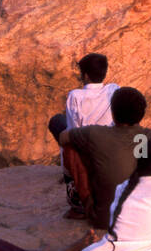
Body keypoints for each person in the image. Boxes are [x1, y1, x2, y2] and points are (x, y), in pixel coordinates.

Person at [58, 87, 151, 229]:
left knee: (71, 148)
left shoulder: (96, 134)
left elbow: (63, 138)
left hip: (103, 219)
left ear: (113, 113)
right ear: (142, 114)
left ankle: (78, 204)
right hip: (139, 220)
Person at [47, 53, 120, 216]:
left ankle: (71, 179)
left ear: (85, 75)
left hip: (84, 146)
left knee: (57, 122)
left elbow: (73, 132)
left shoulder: (75, 96)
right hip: (107, 149)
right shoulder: (113, 89)